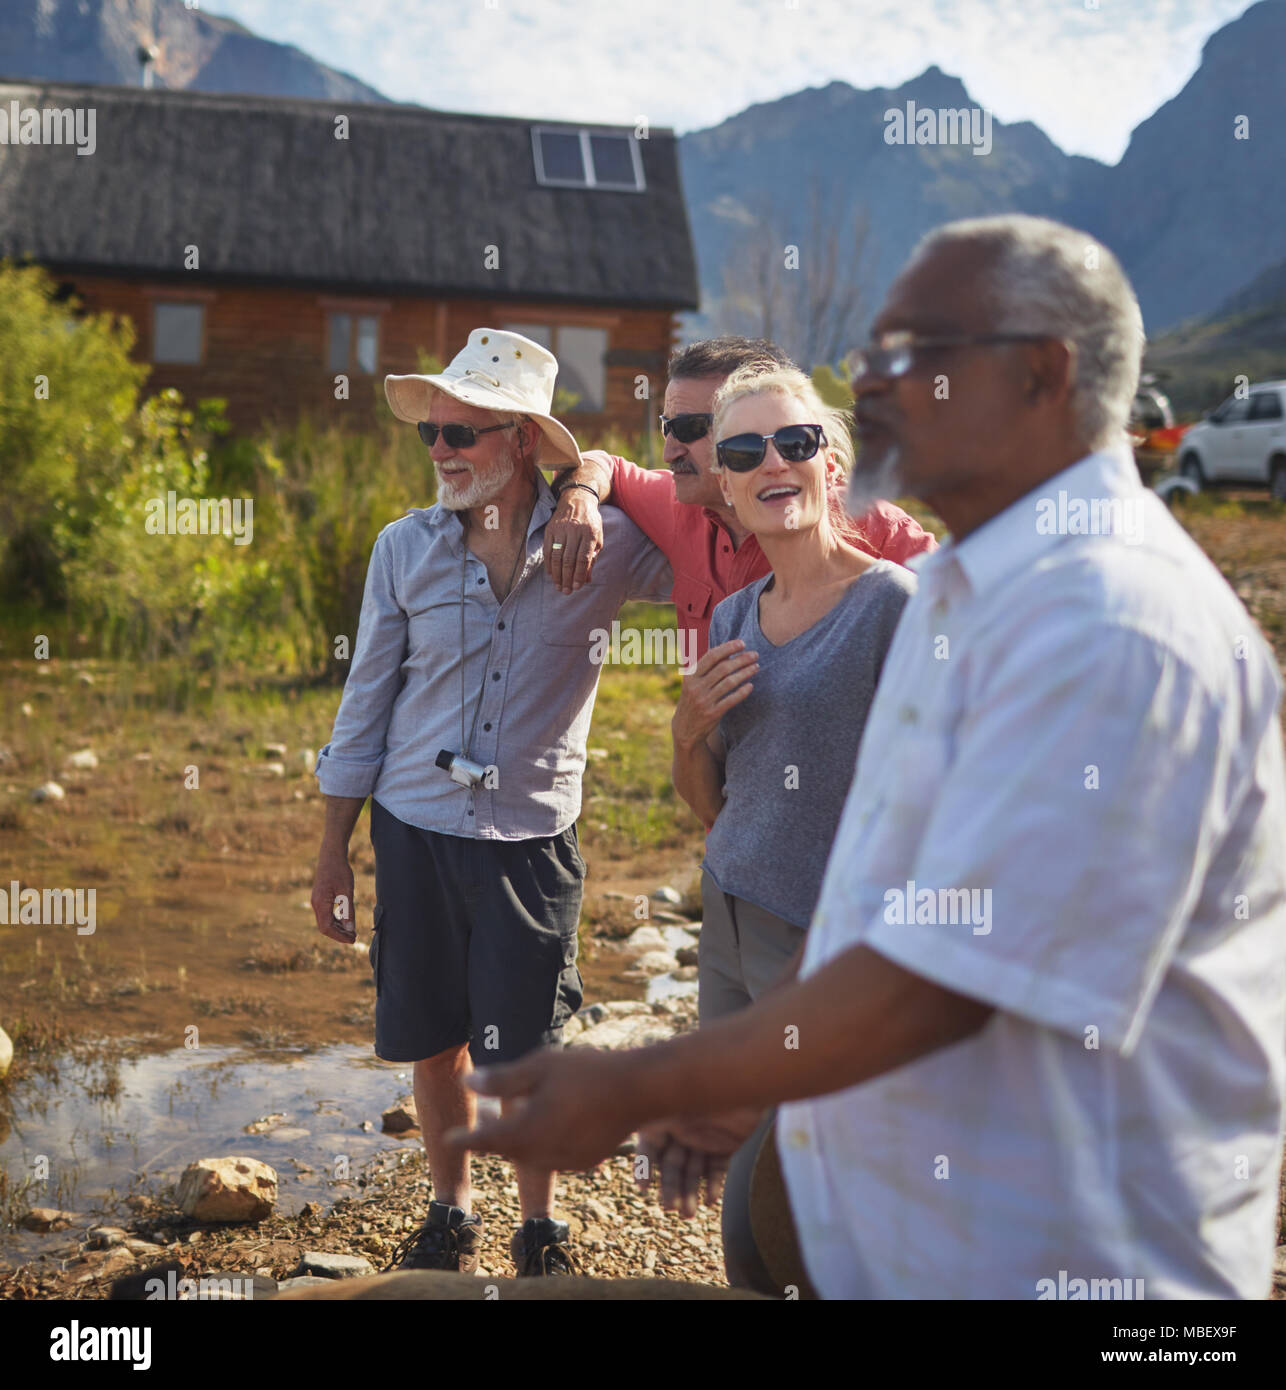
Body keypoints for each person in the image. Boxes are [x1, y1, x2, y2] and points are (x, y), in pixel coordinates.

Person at [448, 217, 1286, 1301]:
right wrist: (761, 1079)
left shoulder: (1105, 621)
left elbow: (944, 979)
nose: (873, 385)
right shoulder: (973, 591)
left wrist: (638, 1084)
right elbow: (903, 890)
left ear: (1039, 373)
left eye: (912, 356)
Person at [310, 328, 672, 1278]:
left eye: (462, 433)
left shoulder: (610, 546)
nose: (440, 451)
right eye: (432, 432)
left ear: (520, 441)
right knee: (435, 1038)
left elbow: (710, 539)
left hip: (531, 838)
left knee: (524, 1052)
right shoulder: (404, 549)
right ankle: (450, 1205)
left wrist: (592, 486)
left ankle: (540, 1222)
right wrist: (330, 851)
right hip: (414, 825)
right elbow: (365, 705)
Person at [669, 361, 915, 1291]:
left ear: (833, 463)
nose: (772, 461)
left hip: (822, 944)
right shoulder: (734, 614)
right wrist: (687, 730)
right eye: (743, 450)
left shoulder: (894, 607)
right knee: (750, 1171)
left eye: (795, 441)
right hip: (728, 919)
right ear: (726, 487)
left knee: (785, 1197)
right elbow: (714, 803)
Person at [542, 336, 935, 658]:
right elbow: (606, 464)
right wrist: (579, 495)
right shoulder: (682, 503)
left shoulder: (874, 526)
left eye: (692, 427)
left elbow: (969, 629)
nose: (669, 452)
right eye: (668, 428)